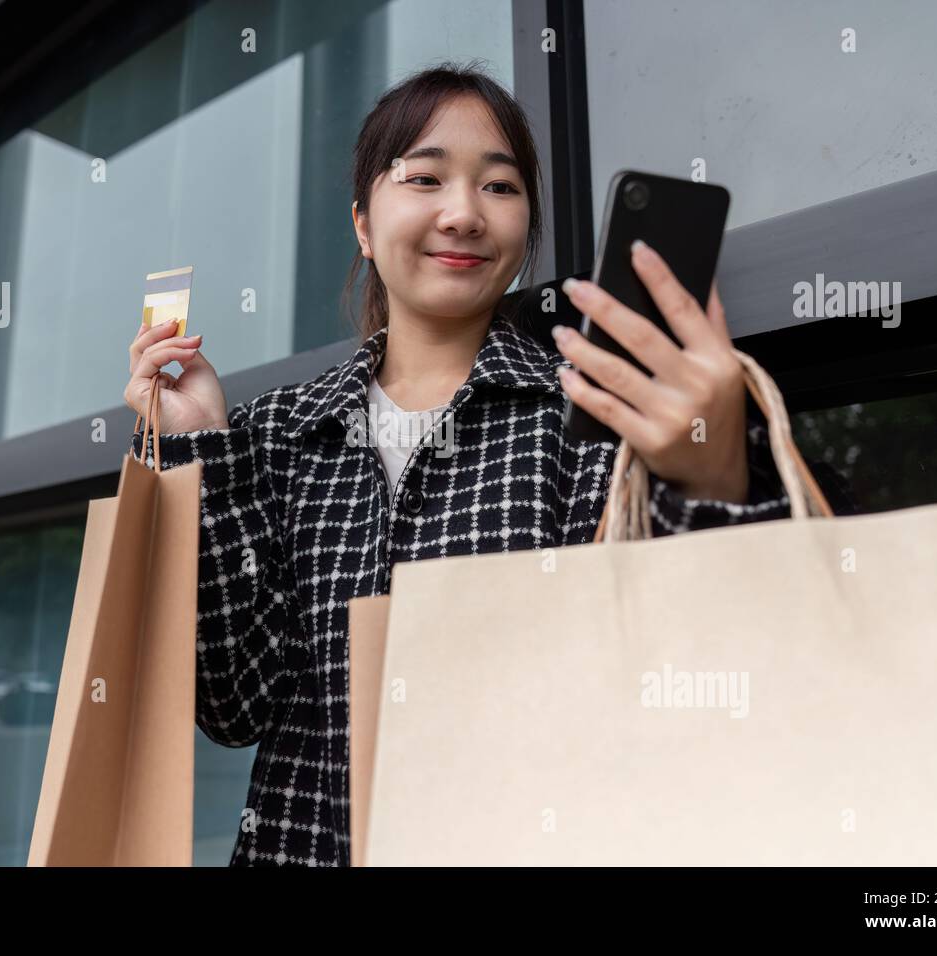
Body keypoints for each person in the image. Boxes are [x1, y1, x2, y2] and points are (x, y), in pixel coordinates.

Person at [124, 62, 793, 867]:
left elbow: (691, 682)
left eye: (501, 187)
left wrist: (712, 463)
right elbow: (234, 705)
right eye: (425, 177)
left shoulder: (590, 417)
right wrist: (200, 444)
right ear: (364, 224)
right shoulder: (278, 431)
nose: (464, 213)